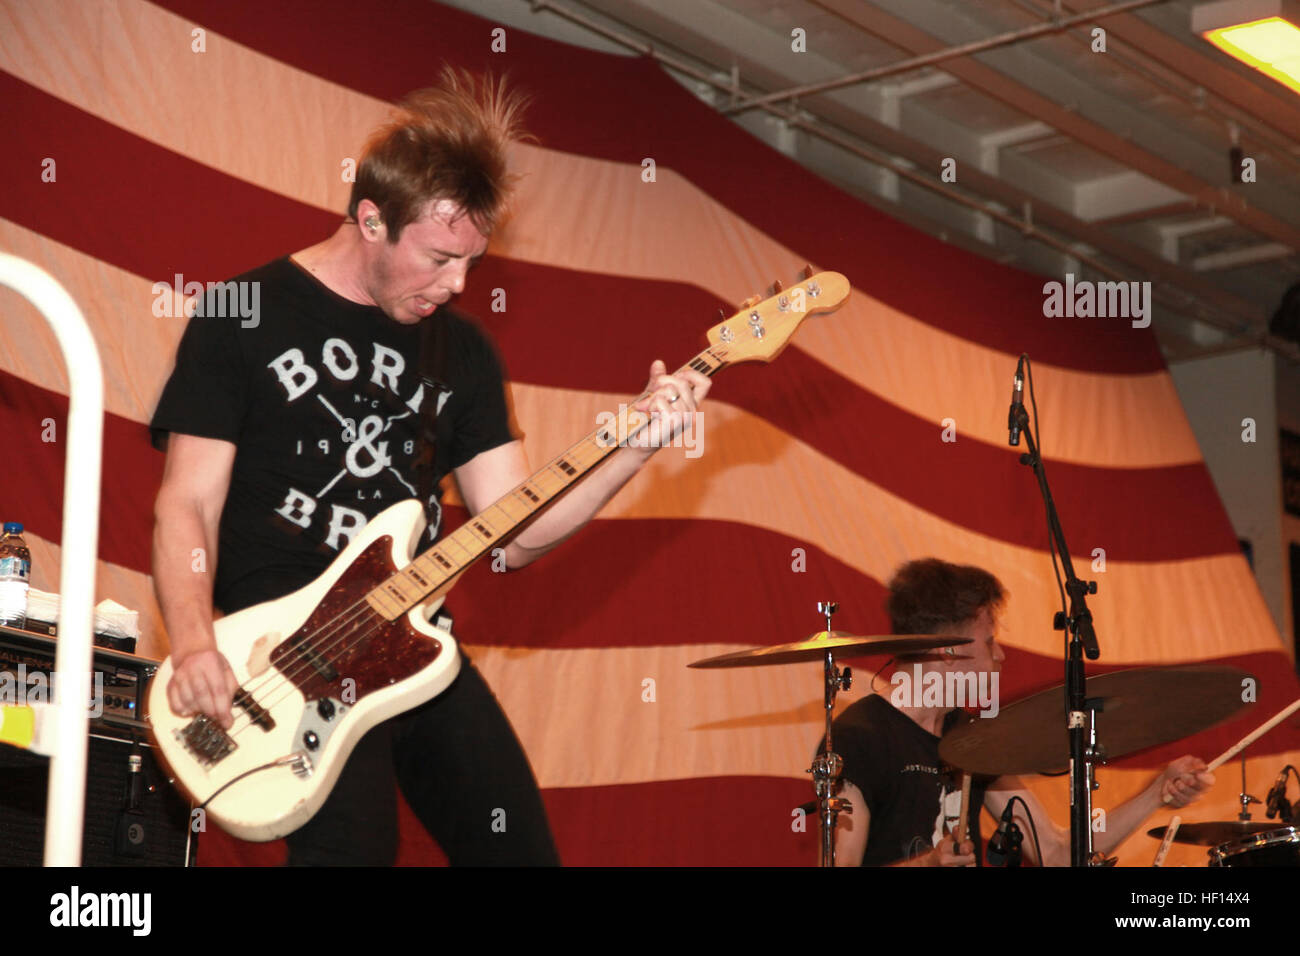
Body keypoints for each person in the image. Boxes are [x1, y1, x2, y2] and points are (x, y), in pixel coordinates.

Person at [149, 69, 709, 865]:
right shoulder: (245, 313)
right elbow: (187, 505)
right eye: (442, 257)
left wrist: (637, 448)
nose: (457, 284)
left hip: (409, 643)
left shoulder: (465, 353)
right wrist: (196, 640)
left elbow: (512, 533)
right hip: (281, 655)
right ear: (371, 218)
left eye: (474, 262)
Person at [825, 558, 1215, 866]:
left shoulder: (971, 738)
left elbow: (1058, 854)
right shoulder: (860, 738)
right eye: (990, 641)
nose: (1001, 655)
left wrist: (1157, 793)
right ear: (947, 649)